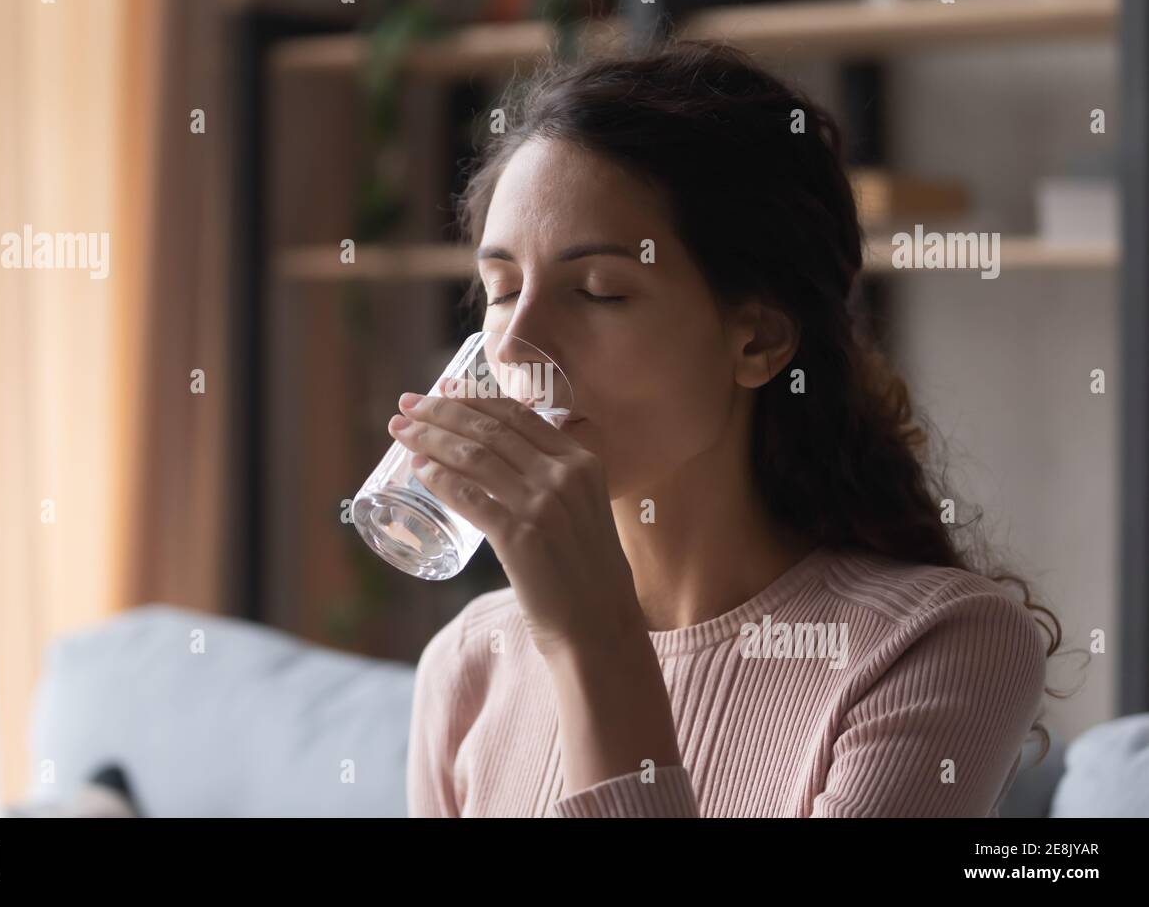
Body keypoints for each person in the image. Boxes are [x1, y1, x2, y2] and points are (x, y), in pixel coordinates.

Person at [390, 41, 1060, 817]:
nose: (512, 346)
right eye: (502, 289)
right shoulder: (470, 661)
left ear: (758, 341)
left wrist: (596, 645)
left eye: (600, 291)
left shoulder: (934, 648)